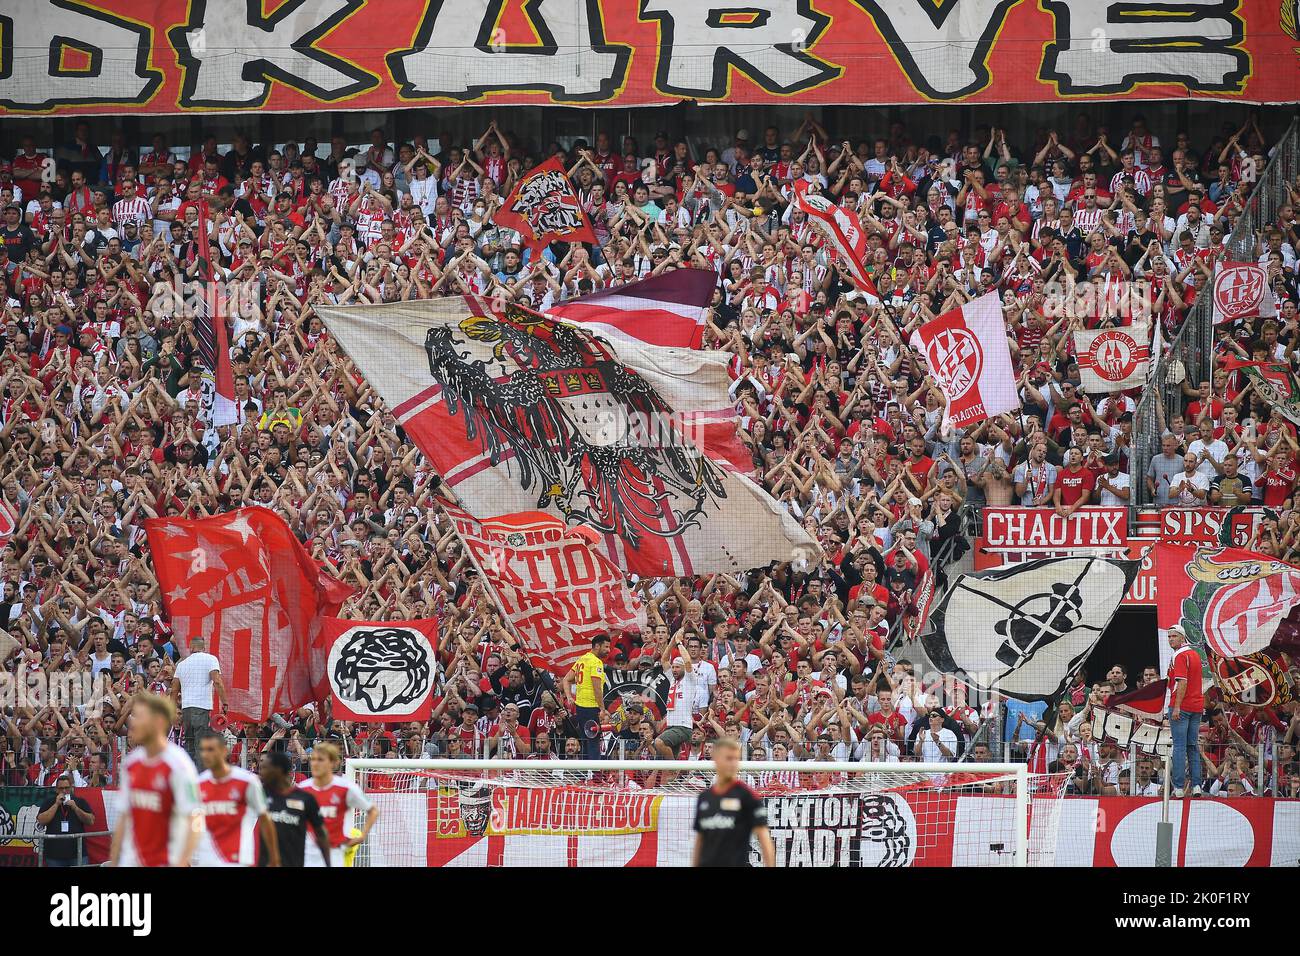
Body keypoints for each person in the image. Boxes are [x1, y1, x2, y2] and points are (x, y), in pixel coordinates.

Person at [109, 693, 204, 868]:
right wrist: (115, 861)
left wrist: (182, 861)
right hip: (132, 860)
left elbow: (195, 820)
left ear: (159, 722)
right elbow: (124, 816)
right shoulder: (132, 762)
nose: (133, 723)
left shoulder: (178, 765)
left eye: (139, 717)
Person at [195, 731, 278, 867]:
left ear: (224, 751)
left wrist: (274, 857)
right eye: (202, 750)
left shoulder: (247, 781)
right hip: (207, 860)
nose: (205, 755)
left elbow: (265, 819)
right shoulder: (199, 784)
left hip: (238, 860)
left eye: (211, 749)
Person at [692, 737, 775, 867]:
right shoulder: (704, 798)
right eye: (729, 758)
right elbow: (700, 840)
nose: (733, 763)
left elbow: (764, 838)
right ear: (716, 759)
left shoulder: (747, 796)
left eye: (736, 759)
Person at [299, 741, 379, 867]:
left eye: (320, 759)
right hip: (306, 856)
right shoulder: (302, 789)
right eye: (313, 759)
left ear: (333, 763)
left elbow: (373, 810)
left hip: (335, 855)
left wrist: (362, 836)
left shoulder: (345, 788)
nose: (315, 763)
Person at [258, 750, 332, 867]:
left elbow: (321, 834)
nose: (261, 772)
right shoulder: (260, 795)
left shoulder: (305, 799)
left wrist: (328, 864)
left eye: (265, 768)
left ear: (278, 770)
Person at [1165, 624, 1205, 797]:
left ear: (1182, 637)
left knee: (1179, 747)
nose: (1170, 639)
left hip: (1181, 706)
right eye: (1169, 637)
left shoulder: (1179, 656)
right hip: (1197, 705)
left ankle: (1179, 787)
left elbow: (1182, 682)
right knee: (1192, 746)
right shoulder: (1195, 654)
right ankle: (1197, 786)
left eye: (1174, 636)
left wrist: (1178, 706)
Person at [172, 636, 227, 760]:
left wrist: (173, 710)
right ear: (204, 647)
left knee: (189, 745)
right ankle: (200, 777)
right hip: (202, 707)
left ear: (191, 648)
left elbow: (174, 690)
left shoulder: (182, 664)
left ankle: (189, 775)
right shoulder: (211, 659)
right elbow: (217, 682)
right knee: (201, 746)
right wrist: (225, 702)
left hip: (186, 710)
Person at [562, 633, 610, 759]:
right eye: (606, 647)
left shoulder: (582, 660)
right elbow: (596, 688)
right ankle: (594, 776)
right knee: (594, 741)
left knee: (585, 741)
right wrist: (602, 709)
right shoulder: (596, 662)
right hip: (591, 707)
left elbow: (566, 679)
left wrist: (569, 697)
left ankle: (585, 775)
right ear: (597, 646)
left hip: (580, 708)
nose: (608, 651)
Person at [36, 774, 96, 867]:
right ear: (56, 789)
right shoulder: (49, 802)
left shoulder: (80, 801)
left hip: (77, 854)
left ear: (72, 788)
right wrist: (56, 805)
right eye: (61, 788)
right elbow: (41, 821)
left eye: (67, 788)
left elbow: (91, 821)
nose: (64, 791)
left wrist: (75, 808)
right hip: (54, 855)